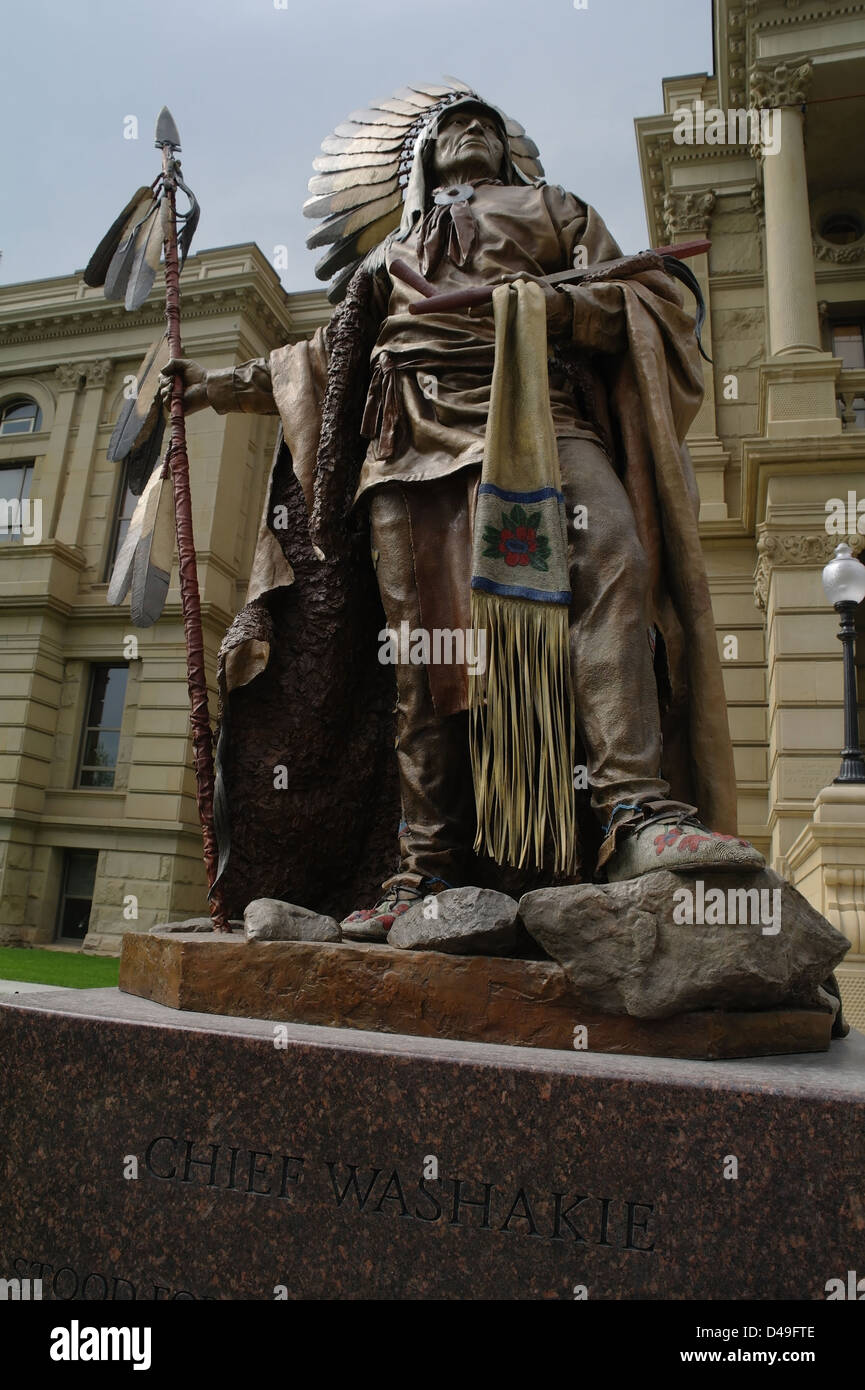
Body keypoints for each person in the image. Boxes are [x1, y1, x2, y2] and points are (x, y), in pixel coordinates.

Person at [160, 94, 761, 941]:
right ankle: (423, 866)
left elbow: (647, 297)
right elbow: (321, 359)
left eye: (484, 123)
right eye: (449, 126)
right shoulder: (390, 259)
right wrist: (213, 389)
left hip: (547, 424)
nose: (468, 130)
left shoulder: (558, 211)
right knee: (421, 661)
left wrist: (555, 308)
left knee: (613, 567)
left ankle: (635, 813)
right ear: (422, 160)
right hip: (410, 450)